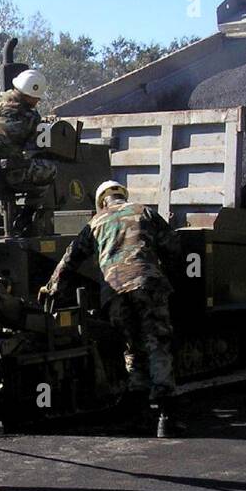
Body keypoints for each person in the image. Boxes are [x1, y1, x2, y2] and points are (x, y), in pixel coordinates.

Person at [39, 180, 181, 435]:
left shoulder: (95, 222)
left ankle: (140, 414)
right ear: (122, 196)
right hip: (147, 285)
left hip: (114, 293)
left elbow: (69, 260)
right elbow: (173, 247)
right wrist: (163, 273)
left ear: (101, 201)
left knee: (132, 347)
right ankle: (165, 416)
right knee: (157, 343)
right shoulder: (144, 211)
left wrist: (51, 290)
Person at [0, 69, 56, 231]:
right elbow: (34, 149)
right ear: (32, 96)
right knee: (49, 169)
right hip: (5, 174)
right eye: (37, 98)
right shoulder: (30, 117)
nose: (38, 101)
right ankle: (25, 217)